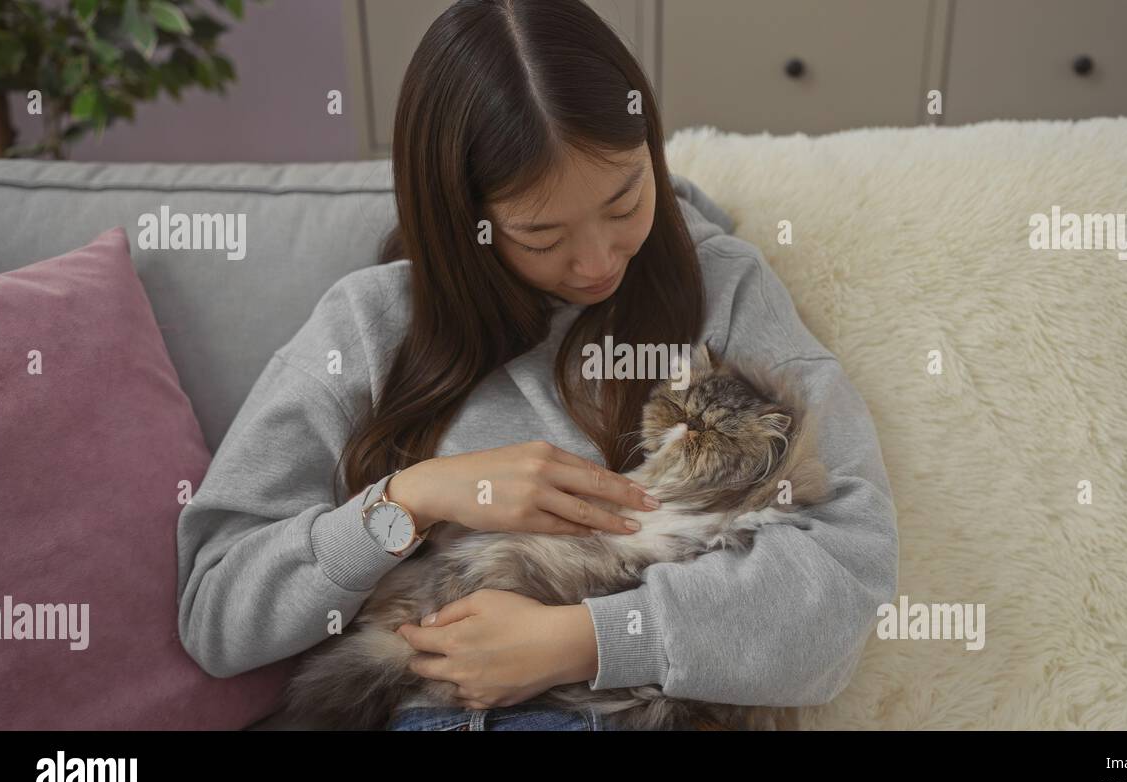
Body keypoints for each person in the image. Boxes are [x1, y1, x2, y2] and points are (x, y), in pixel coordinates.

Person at [176, 0, 898, 732]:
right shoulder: (370, 325)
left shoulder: (725, 291)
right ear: (463, 218)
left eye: (624, 202)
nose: (595, 262)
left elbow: (847, 568)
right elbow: (217, 613)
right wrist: (412, 498)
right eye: (541, 234)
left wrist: (585, 640)